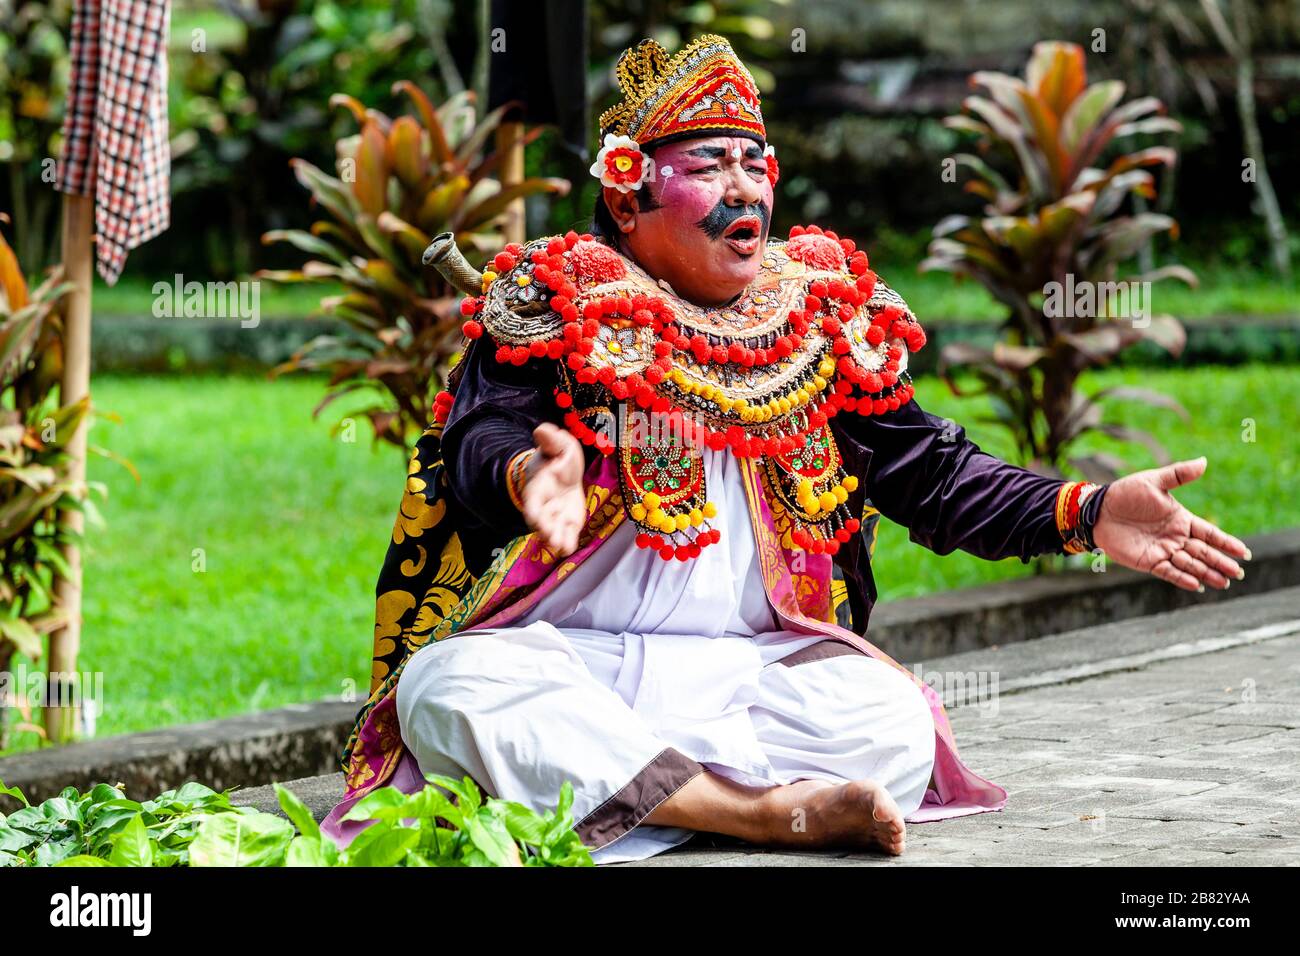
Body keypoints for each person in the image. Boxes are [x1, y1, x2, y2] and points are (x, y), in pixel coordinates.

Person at [321, 34, 1249, 864]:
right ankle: (762, 815)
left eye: (756, 161)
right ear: (628, 189)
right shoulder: (558, 299)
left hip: (747, 674)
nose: (745, 187)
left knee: (893, 721)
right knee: (452, 686)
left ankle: (648, 797)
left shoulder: (817, 315)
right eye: (710, 163)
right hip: (571, 661)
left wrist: (1088, 513)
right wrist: (531, 472)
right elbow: (480, 432)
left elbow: (929, 472)